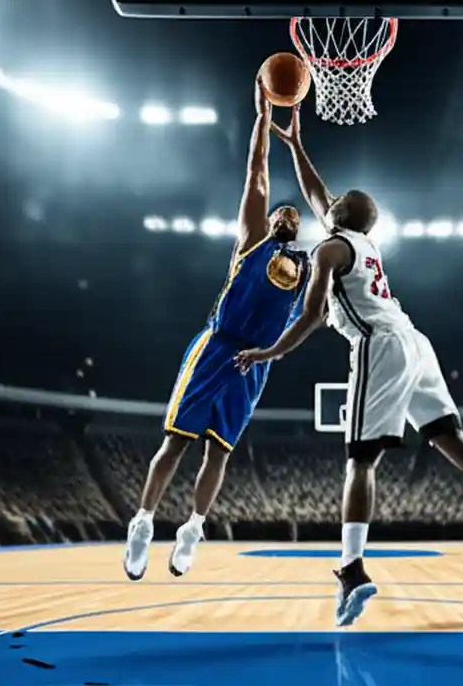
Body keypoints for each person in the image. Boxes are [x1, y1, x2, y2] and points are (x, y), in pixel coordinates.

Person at [234, 106, 463, 627]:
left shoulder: (329, 251)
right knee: (458, 445)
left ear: (342, 217)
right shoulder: (359, 243)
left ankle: (353, 570)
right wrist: (295, 144)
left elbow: (315, 314)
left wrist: (270, 351)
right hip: (416, 342)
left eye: (338, 203)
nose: (330, 201)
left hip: (380, 347)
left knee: (359, 462)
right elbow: (319, 193)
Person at [124, 79, 309, 580]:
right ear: (270, 220)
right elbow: (257, 170)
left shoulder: (311, 268)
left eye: (295, 213)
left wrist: (302, 147)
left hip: (255, 363)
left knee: (219, 451)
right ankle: (143, 523)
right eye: (279, 209)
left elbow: (311, 319)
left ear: (299, 228)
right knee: (175, 444)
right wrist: (263, 119)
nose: (286, 212)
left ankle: (192, 529)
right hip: (217, 346)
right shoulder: (252, 241)